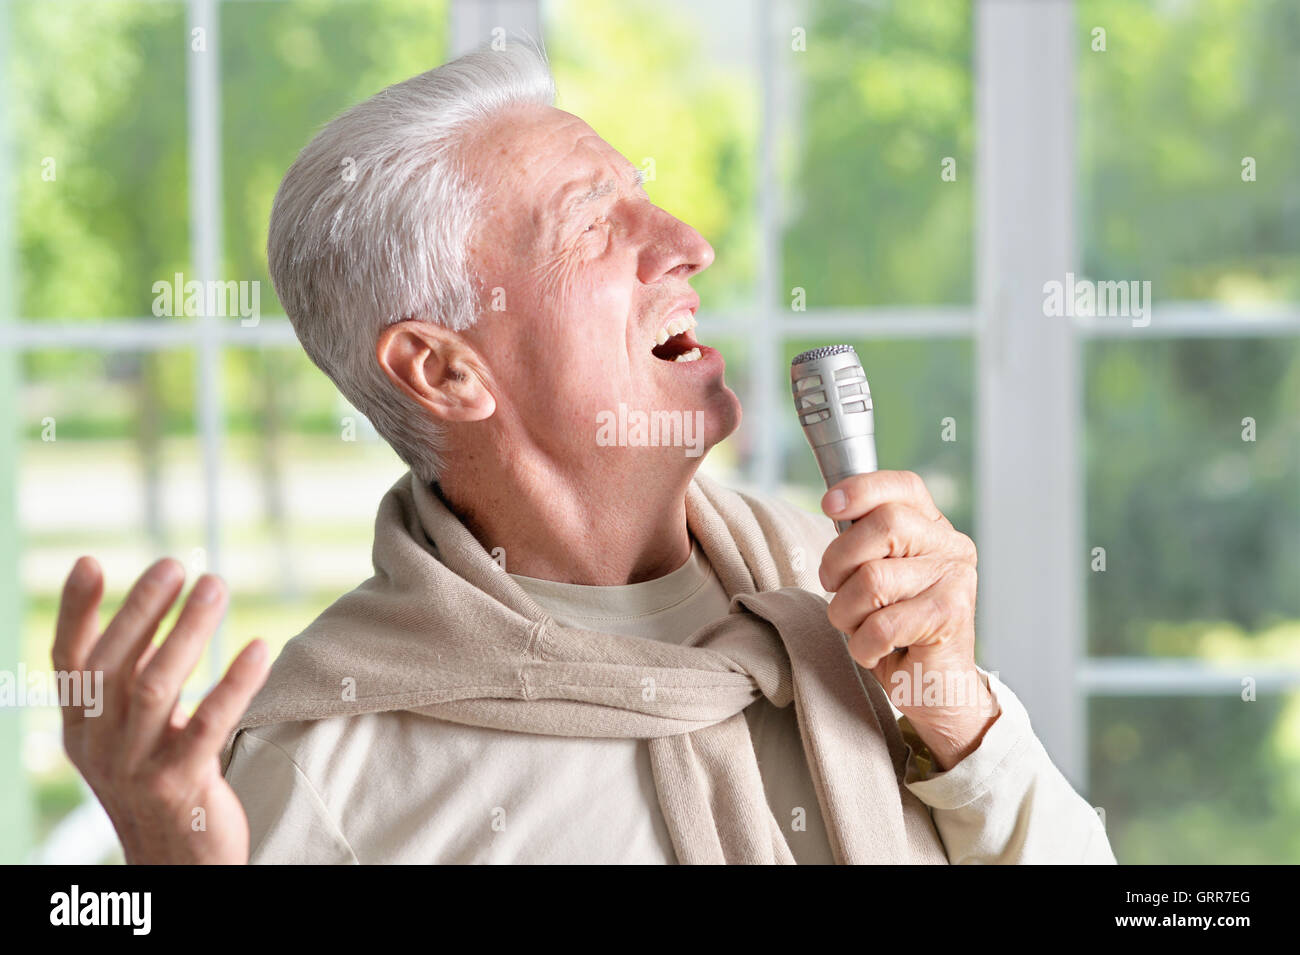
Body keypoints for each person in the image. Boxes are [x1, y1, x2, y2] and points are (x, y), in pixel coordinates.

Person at [53, 42, 1115, 865]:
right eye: (594, 224)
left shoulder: (848, 594)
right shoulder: (319, 770)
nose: (689, 240)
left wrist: (957, 715)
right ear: (443, 369)